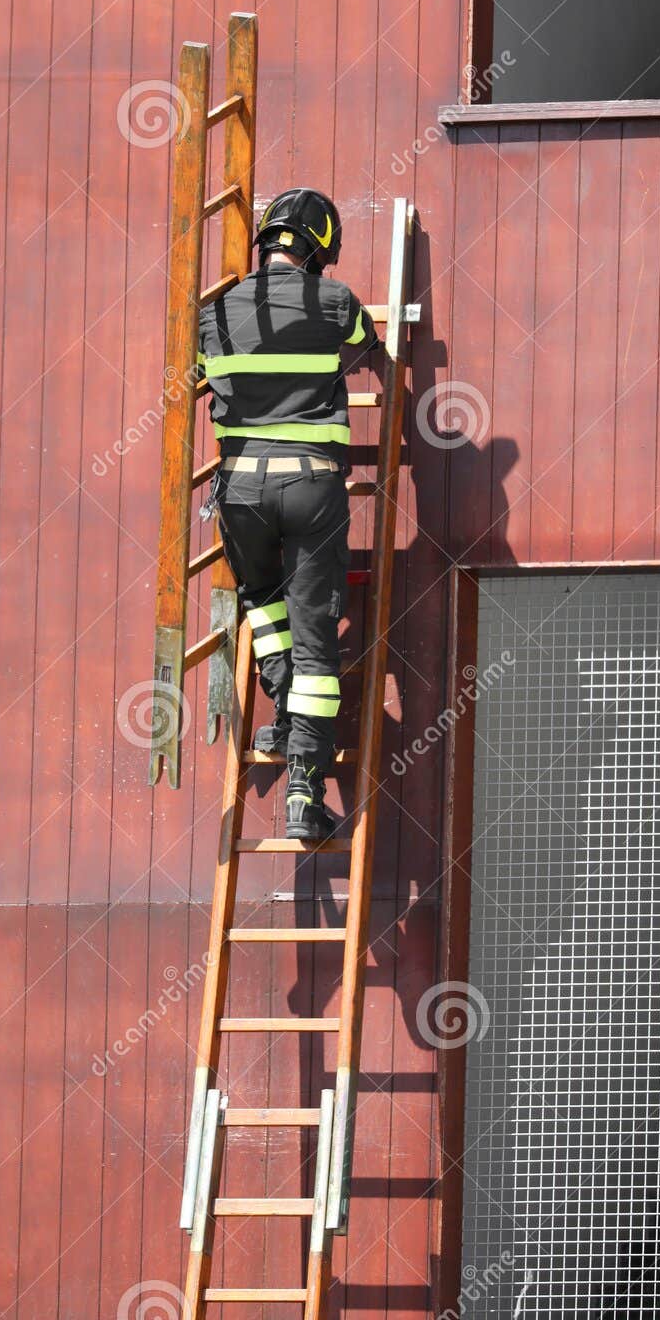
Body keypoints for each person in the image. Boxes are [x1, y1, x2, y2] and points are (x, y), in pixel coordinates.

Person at [198, 188, 377, 840]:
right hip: (309, 485)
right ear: (319, 247)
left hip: (241, 490)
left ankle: (281, 693)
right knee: (315, 633)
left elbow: (197, 370)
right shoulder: (334, 301)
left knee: (261, 599)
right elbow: (363, 338)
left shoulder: (213, 312)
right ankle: (304, 784)